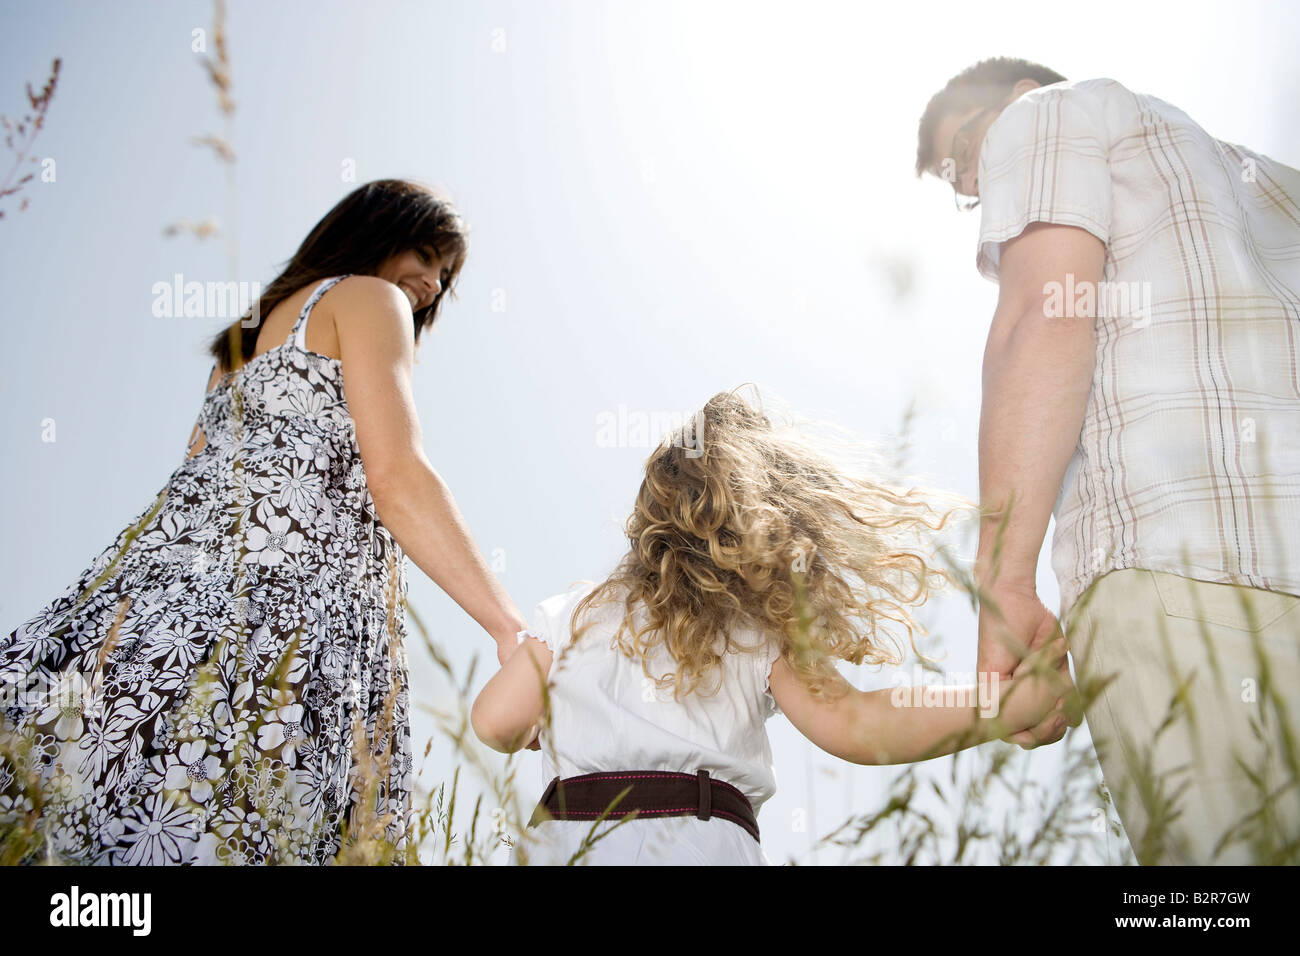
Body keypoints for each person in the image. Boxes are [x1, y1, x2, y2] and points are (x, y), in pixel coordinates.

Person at [0, 178, 528, 865]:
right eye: (425, 256)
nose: (430, 284)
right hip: (287, 636)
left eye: (443, 276)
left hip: (162, 622)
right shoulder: (370, 300)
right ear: (375, 231)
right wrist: (505, 623)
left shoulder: (237, 350)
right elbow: (398, 478)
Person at [915, 58, 1300, 863]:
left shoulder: (1046, 116)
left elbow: (1047, 315)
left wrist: (1003, 583)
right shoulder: (1270, 185)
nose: (975, 181)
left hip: (1183, 572)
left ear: (1017, 95)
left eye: (965, 149)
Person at [471, 387, 1069, 865]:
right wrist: (1007, 703)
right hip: (705, 843)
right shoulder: (756, 626)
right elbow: (855, 725)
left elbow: (493, 721)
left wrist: (543, 724)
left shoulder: (573, 613)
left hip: (572, 843)